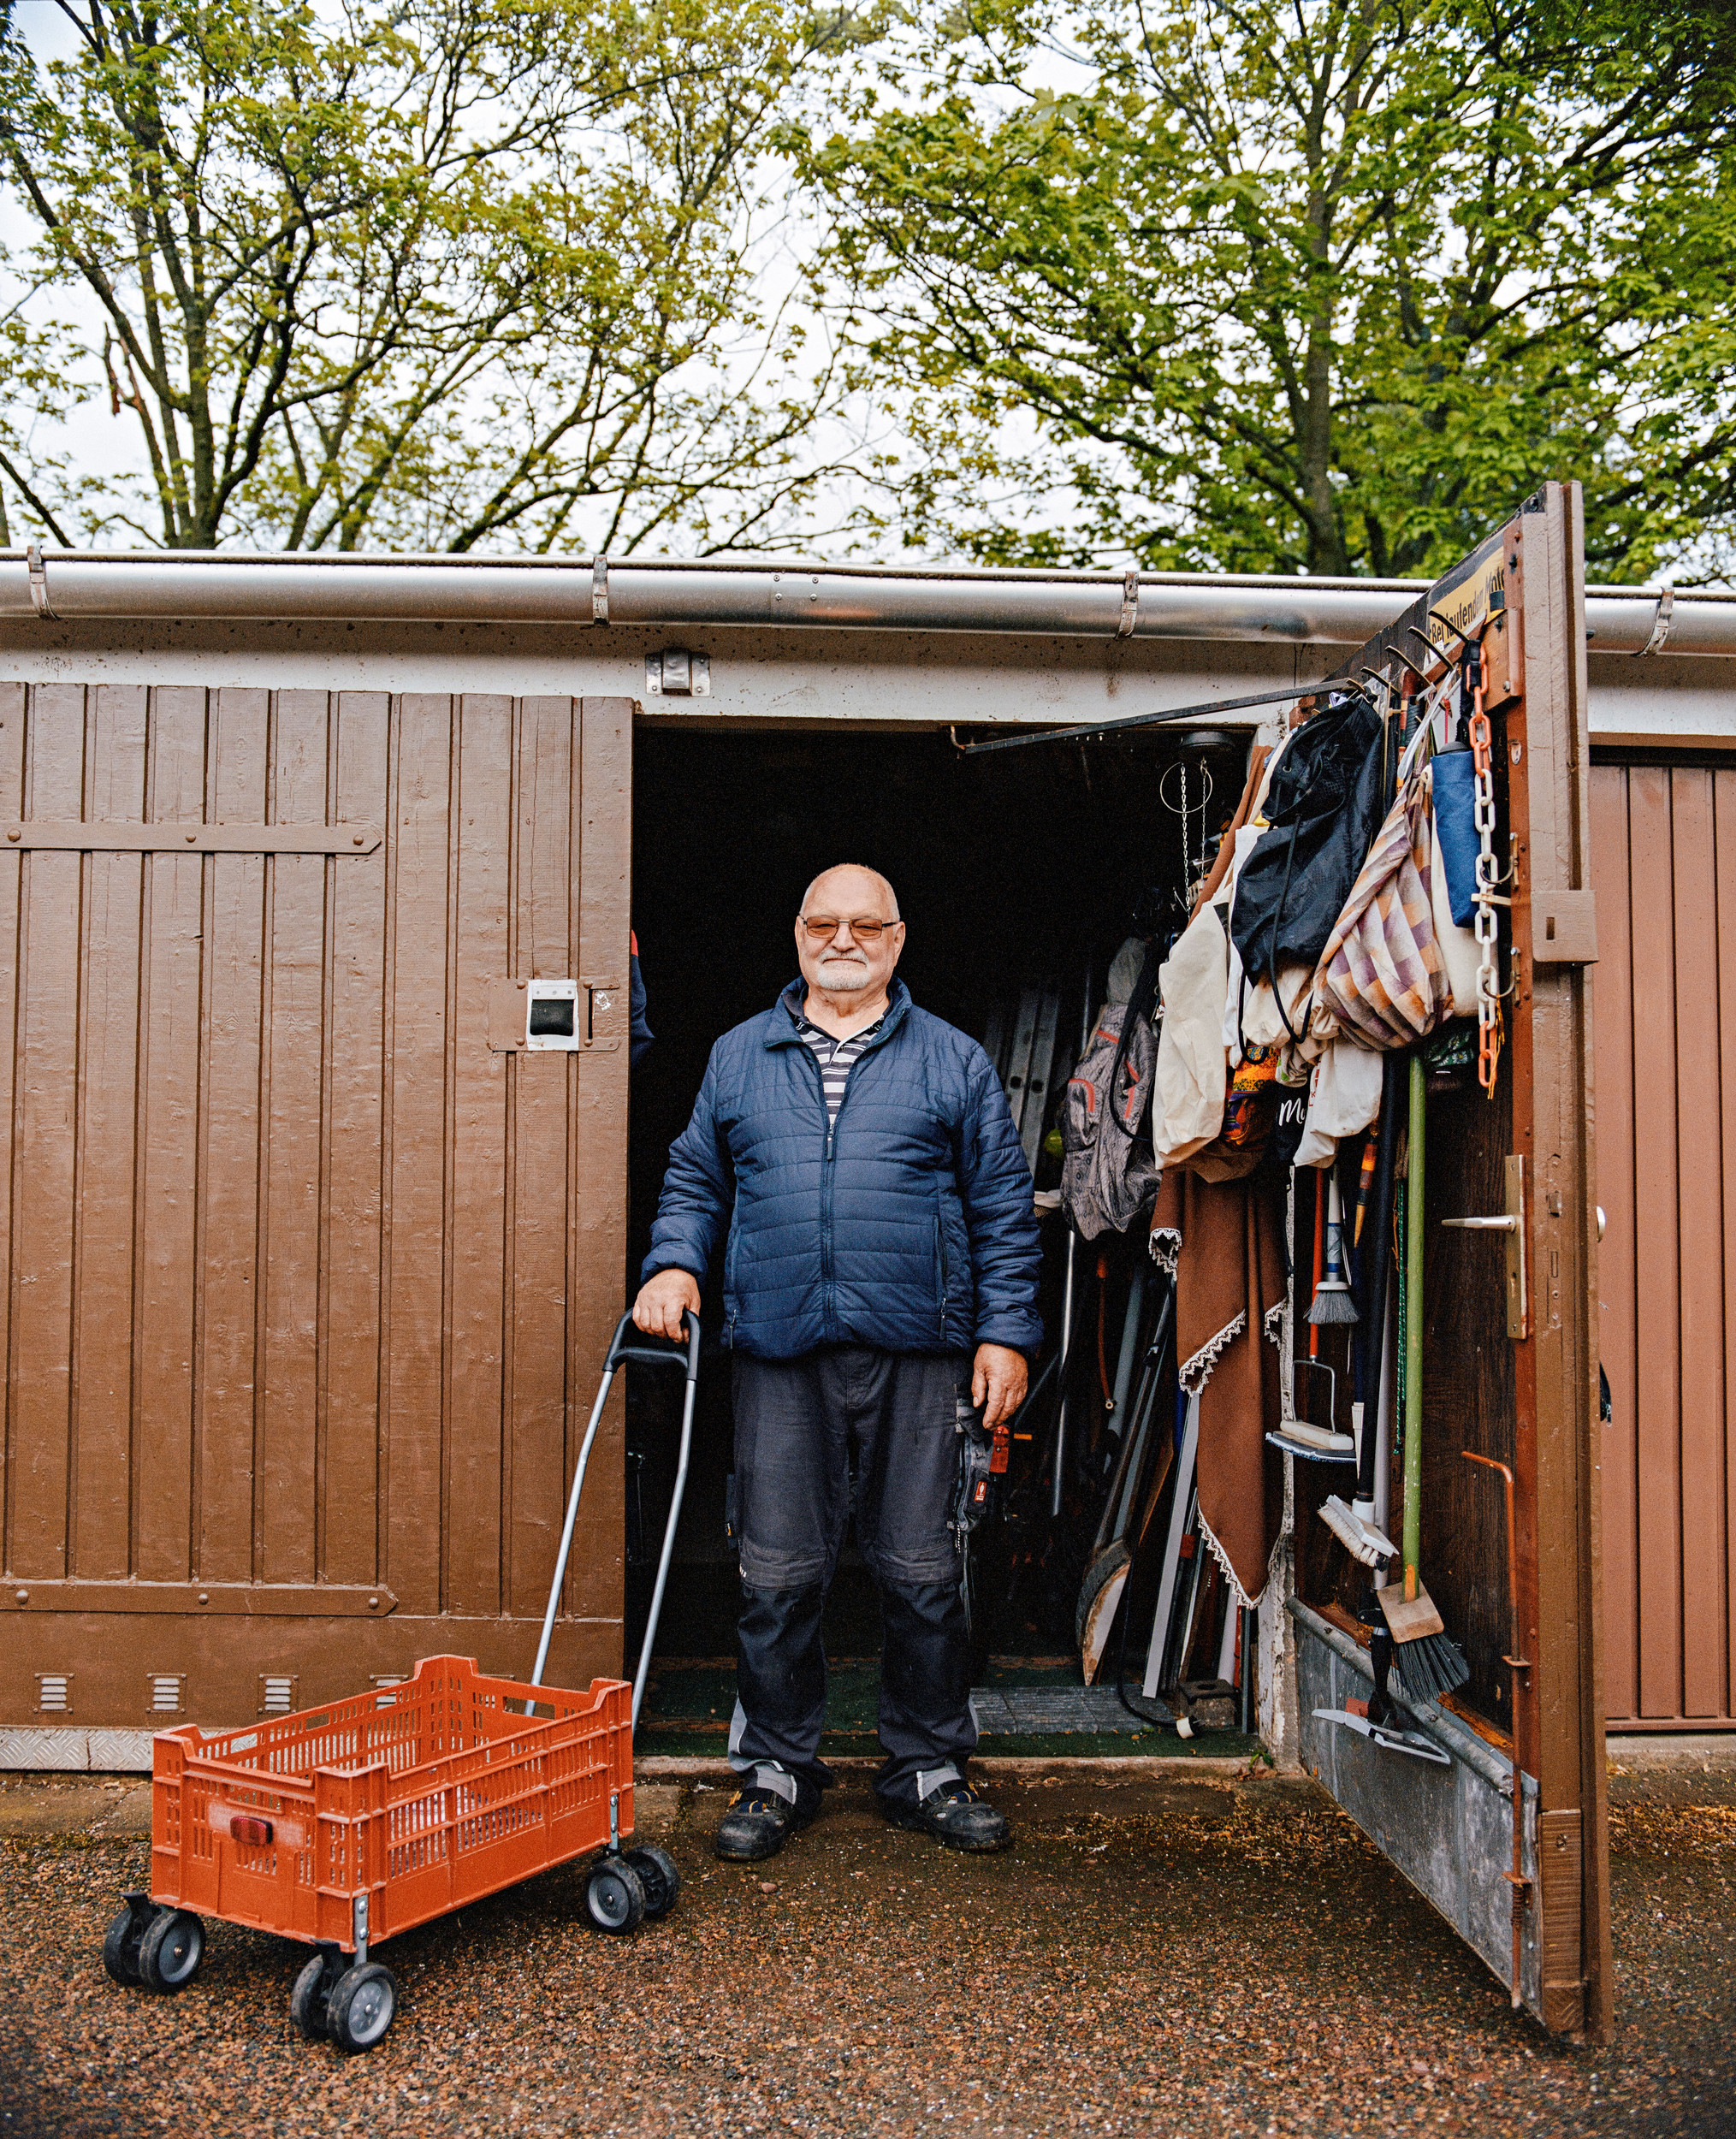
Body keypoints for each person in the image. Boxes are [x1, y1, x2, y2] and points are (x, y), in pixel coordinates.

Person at [633, 863, 1042, 1859]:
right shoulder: (739, 1056)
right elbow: (695, 1176)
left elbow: (1002, 1207)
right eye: (825, 922)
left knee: (923, 1569)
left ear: (898, 941)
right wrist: (675, 1264)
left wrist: (1006, 1334)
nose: (844, 938)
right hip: (778, 1345)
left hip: (921, 1349)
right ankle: (775, 1767)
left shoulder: (951, 1059)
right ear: (798, 935)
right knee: (775, 1572)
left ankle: (928, 1766)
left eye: (867, 924)